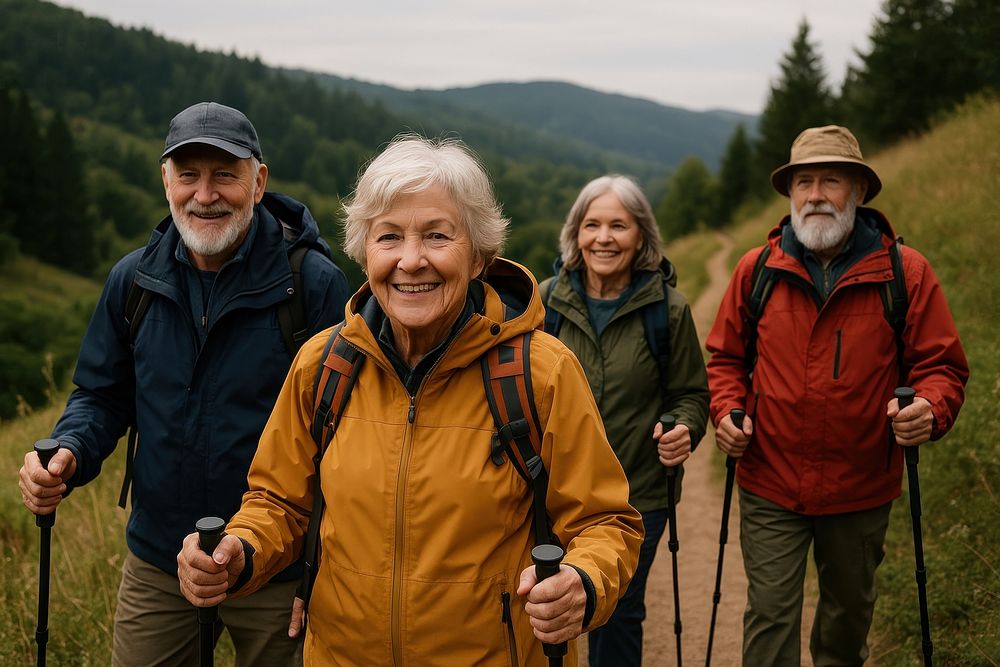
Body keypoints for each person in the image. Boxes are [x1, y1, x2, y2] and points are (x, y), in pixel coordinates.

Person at [175, 135, 644, 665]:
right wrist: (239, 550)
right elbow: (278, 503)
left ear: (478, 257)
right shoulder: (323, 366)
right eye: (389, 237)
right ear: (365, 252)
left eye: (437, 236)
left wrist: (584, 581)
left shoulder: (540, 373)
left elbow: (606, 523)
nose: (411, 260)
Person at [18, 101, 352, 666]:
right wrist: (71, 449)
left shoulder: (312, 286)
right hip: (160, 560)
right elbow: (101, 395)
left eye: (225, 174)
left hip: (278, 567)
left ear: (258, 181)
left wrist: (319, 568)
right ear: (165, 181)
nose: (205, 194)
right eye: (188, 174)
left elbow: (342, 437)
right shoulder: (134, 281)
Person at [706, 125, 969, 665]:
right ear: (790, 192)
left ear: (860, 191)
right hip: (771, 480)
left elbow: (941, 366)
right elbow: (726, 360)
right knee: (769, 616)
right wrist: (727, 410)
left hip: (861, 486)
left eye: (832, 180)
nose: (816, 195)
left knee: (846, 623)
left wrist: (930, 408)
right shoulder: (757, 270)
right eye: (804, 182)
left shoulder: (905, 272)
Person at [539, 174, 709, 665]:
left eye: (619, 225)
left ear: (641, 236)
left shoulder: (667, 310)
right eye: (592, 225)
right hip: (551, 495)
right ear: (576, 233)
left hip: (639, 496)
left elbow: (691, 394)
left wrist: (684, 425)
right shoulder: (545, 303)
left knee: (616, 611)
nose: (604, 238)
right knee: (546, 609)